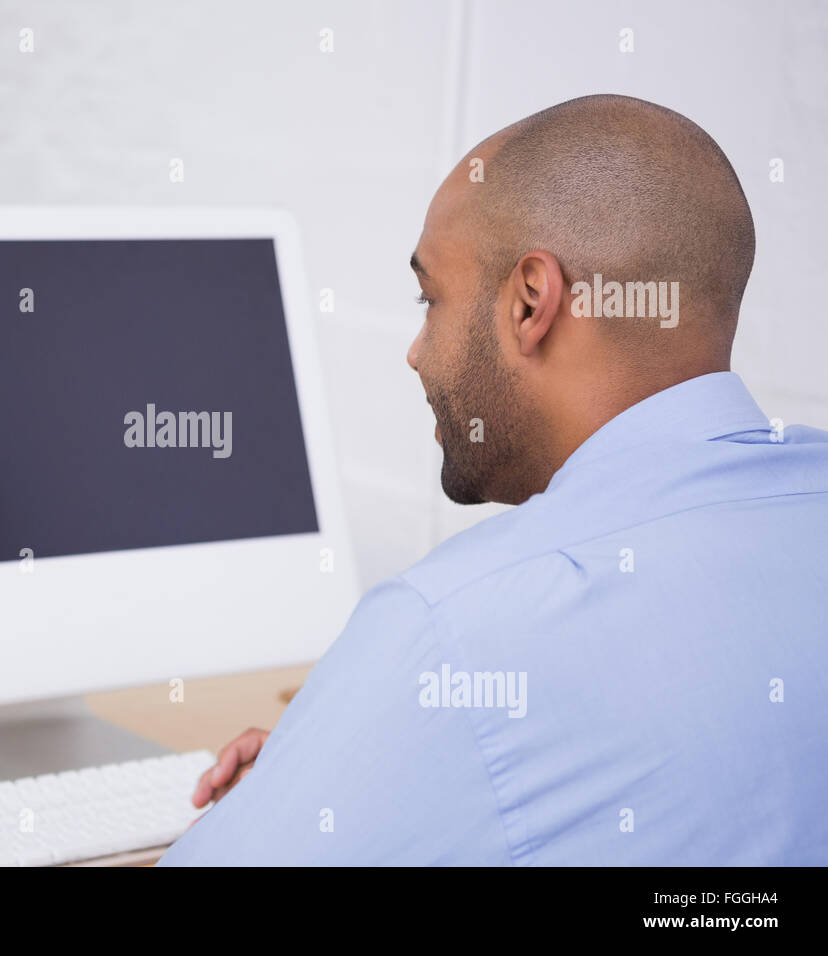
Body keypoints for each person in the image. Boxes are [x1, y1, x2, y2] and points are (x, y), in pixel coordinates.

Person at [159, 94, 828, 865]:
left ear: (531, 302)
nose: (416, 351)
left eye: (430, 298)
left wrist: (306, 789)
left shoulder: (456, 629)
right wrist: (365, 761)